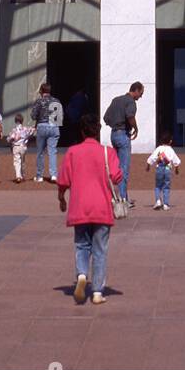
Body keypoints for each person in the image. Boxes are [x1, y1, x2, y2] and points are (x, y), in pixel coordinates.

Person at [57, 113, 123, 306]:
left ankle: (82, 275)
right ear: (98, 131)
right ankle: (97, 292)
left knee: (81, 245)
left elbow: (63, 181)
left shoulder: (72, 152)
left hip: (80, 207)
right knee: (100, 250)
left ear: (81, 131)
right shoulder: (107, 152)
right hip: (102, 207)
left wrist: (61, 198)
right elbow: (117, 176)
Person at [103, 82, 143, 205]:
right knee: (123, 169)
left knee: (115, 167)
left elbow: (106, 118)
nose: (140, 96)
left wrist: (115, 125)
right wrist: (135, 128)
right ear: (135, 90)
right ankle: (122, 199)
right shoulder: (131, 102)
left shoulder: (116, 100)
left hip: (114, 134)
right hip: (123, 135)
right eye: (140, 93)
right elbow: (130, 116)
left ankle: (118, 196)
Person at [30, 83, 64, 183]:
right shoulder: (56, 101)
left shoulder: (39, 101)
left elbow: (33, 116)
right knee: (52, 152)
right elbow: (60, 117)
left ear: (41, 91)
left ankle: (39, 175)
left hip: (42, 126)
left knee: (40, 152)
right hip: (53, 126)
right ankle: (53, 175)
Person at [146, 132, 181, 209]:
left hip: (159, 169)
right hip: (167, 169)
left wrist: (148, 165)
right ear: (170, 141)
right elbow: (176, 161)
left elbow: (152, 158)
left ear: (161, 141)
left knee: (158, 186)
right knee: (166, 187)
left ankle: (158, 201)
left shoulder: (159, 148)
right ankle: (166, 204)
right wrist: (176, 169)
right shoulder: (171, 150)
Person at [8, 114, 35, 183]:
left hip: (16, 147)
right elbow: (31, 132)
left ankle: (18, 176)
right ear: (22, 121)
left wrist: (11, 140)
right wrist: (33, 127)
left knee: (17, 162)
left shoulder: (13, 130)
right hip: (23, 147)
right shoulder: (25, 129)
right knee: (22, 161)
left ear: (15, 121)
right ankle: (22, 175)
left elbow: (9, 139)